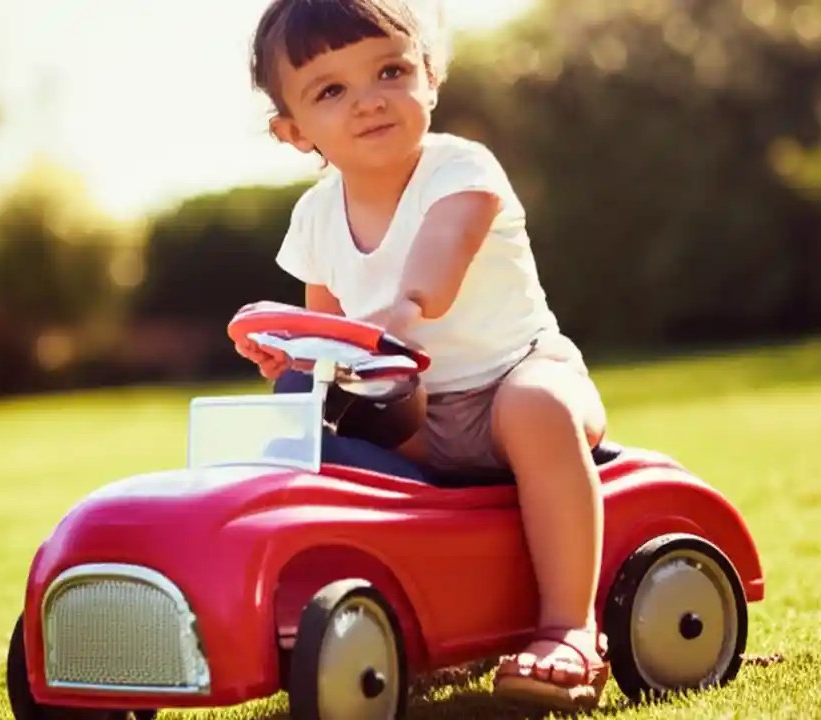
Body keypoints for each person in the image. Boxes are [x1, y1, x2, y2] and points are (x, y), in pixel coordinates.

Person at [235, 0, 611, 710]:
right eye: (331, 90)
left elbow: (434, 269)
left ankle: (570, 626)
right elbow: (328, 332)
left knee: (536, 406)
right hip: (417, 413)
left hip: (513, 379)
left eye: (390, 70)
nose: (370, 100)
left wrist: (399, 312)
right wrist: (297, 361)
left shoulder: (461, 169)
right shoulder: (315, 218)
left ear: (429, 77)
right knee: (314, 435)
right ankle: (393, 616)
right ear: (292, 132)